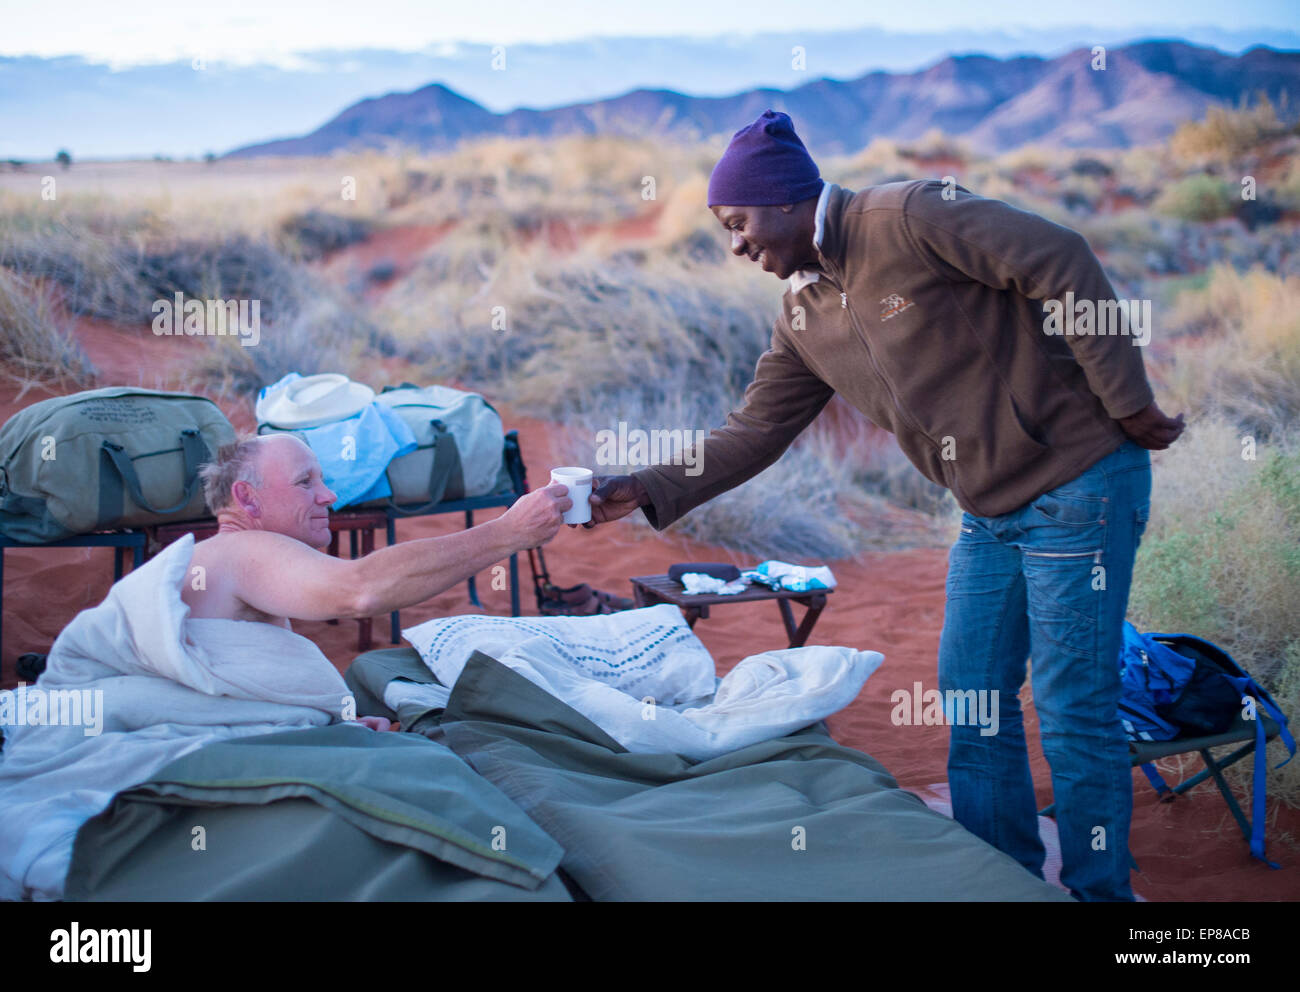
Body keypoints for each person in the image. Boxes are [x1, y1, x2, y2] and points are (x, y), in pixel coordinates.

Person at [582, 109, 1184, 901]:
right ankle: (1002, 882)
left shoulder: (907, 216)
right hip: (989, 513)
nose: (736, 246)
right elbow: (755, 430)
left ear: (789, 200)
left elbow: (1058, 257)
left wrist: (1127, 398)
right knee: (972, 703)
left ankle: (1101, 894)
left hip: (1078, 484)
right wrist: (644, 485)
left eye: (739, 224)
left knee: (1073, 709)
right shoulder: (803, 313)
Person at [188, 432, 572, 725]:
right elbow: (361, 590)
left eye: (321, 480)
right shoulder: (239, 551)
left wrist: (334, 725)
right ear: (247, 498)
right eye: (305, 483)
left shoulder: (229, 560)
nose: (328, 495)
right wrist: (508, 532)